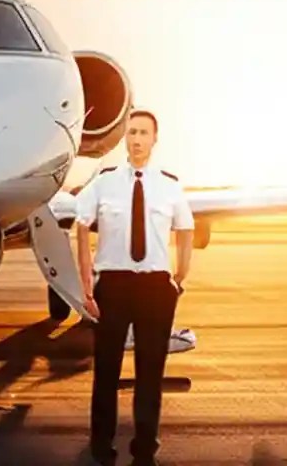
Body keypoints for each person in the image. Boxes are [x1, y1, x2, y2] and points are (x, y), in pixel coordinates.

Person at [74, 109, 194, 466]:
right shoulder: (104, 183)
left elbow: (185, 230)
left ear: (155, 139)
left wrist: (179, 278)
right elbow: (80, 227)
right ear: (125, 138)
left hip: (156, 288)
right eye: (131, 133)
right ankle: (101, 447)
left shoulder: (169, 186)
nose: (137, 139)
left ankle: (145, 449)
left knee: (150, 373)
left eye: (143, 133)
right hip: (114, 285)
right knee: (106, 371)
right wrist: (86, 285)